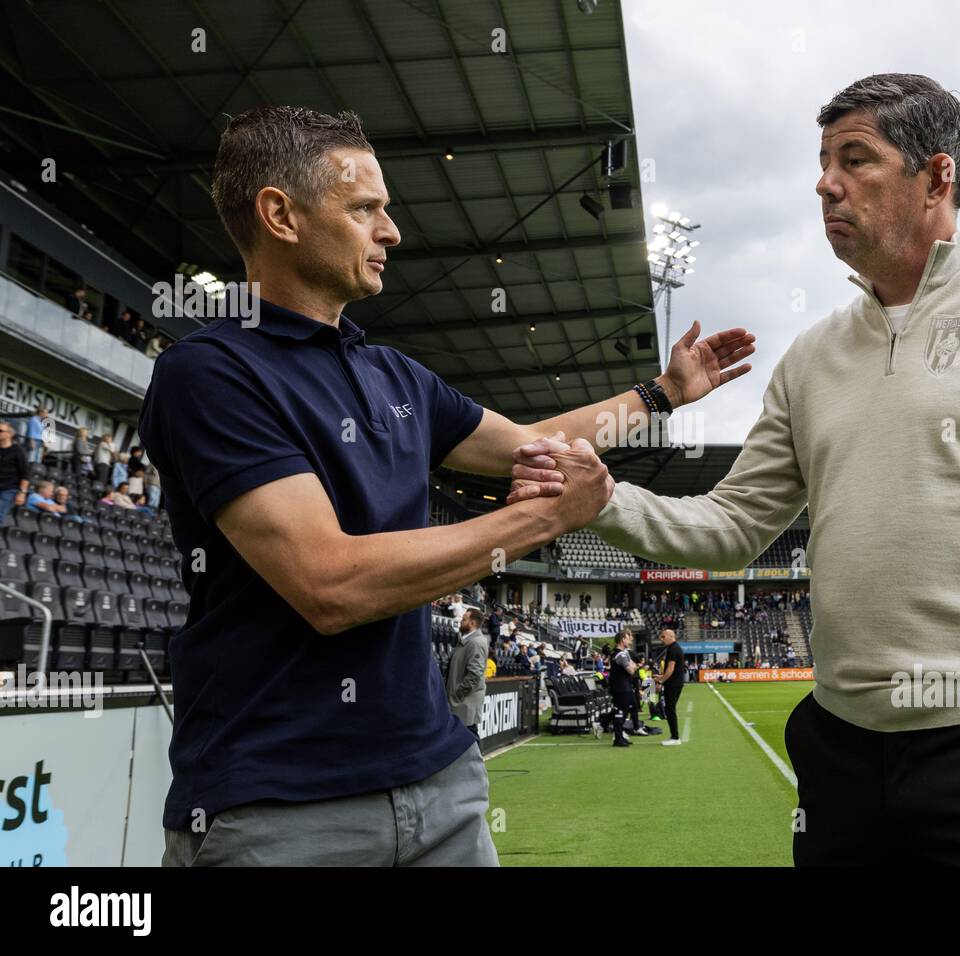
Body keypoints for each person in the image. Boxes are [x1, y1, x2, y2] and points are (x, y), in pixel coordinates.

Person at [508, 73, 960, 867]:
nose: (826, 184)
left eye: (855, 160)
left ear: (937, 176)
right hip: (841, 759)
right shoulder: (811, 357)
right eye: (823, 162)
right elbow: (731, 528)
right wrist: (607, 499)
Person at [137, 105, 752, 868]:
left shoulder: (395, 374)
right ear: (279, 215)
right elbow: (329, 585)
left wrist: (659, 395)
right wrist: (540, 522)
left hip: (439, 781)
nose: (390, 231)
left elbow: (536, 445)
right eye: (365, 209)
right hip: (282, 805)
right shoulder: (211, 374)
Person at [446, 608, 490, 739]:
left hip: (465, 703)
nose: (461, 621)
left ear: (472, 623)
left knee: (469, 739)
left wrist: (458, 694)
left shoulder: (476, 642)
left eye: (464, 619)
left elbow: (474, 674)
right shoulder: (466, 641)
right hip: (460, 702)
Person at [655, 628, 687, 746]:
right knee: (669, 709)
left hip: (673, 683)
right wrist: (661, 677)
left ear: (670, 636)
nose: (661, 639)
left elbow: (670, 669)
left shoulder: (674, 649)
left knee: (670, 709)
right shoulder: (673, 648)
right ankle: (674, 736)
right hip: (674, 682)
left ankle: (675, 737)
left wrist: (661, 681)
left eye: (663, 636)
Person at [608, 629, 638, 748]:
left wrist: (633, 666)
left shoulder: (624, 653)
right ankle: (618, 738)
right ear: (622, 640)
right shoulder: (620, 654)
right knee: (620, 712)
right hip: (620, 687)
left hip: (625, 686)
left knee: (624, 711)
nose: (629, 640)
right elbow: (631, 669)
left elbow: (633, 666)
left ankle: (620, 736)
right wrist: (633, 666)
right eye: (627, 638)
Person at [0, 421, 31, 525]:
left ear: (9, 434)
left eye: (0, 431)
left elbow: (25, 473)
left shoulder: (18, 450)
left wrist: (22, 493)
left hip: (8, 489)